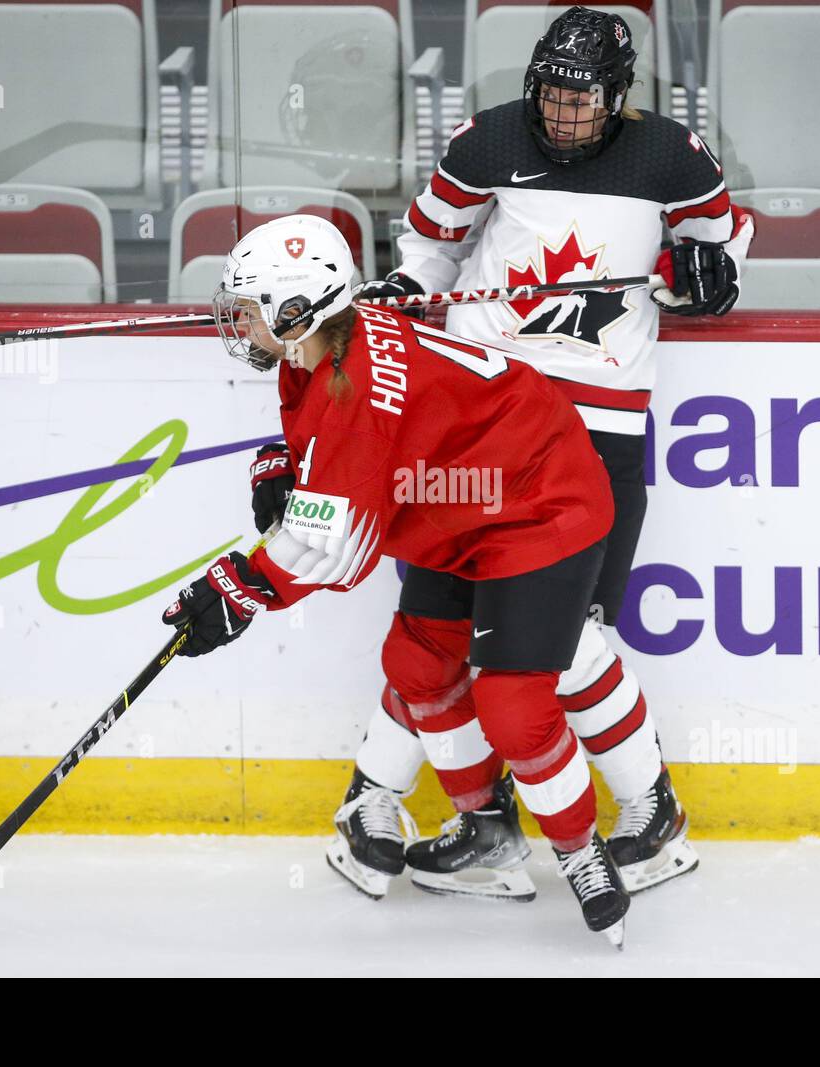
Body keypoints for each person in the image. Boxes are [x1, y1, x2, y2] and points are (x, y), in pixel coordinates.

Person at [283, 5, 755, 902]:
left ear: (619, 99)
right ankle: (473, 823)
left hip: (596, 427)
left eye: (582, 101)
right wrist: (406, 289)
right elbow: (428, 244)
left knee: (569, 639)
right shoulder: (491, 139)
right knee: (435, 629)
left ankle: (646, 811)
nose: (562, 115)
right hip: (481, 418)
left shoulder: (671, 158)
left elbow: (721, 246)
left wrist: (710, 274)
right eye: (551, 94)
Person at [163, 212, 635, 946]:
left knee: (512, 704)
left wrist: (235, 588)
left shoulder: (349, 384)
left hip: (542, 504)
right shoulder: (324, 344)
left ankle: (581, 850)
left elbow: (336, 545)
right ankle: (488, 829)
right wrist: (290, 465)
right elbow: (350, 446)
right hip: (461, 506)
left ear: (297, 312)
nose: (238, 322)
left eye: (251, 308)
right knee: (417, 664)